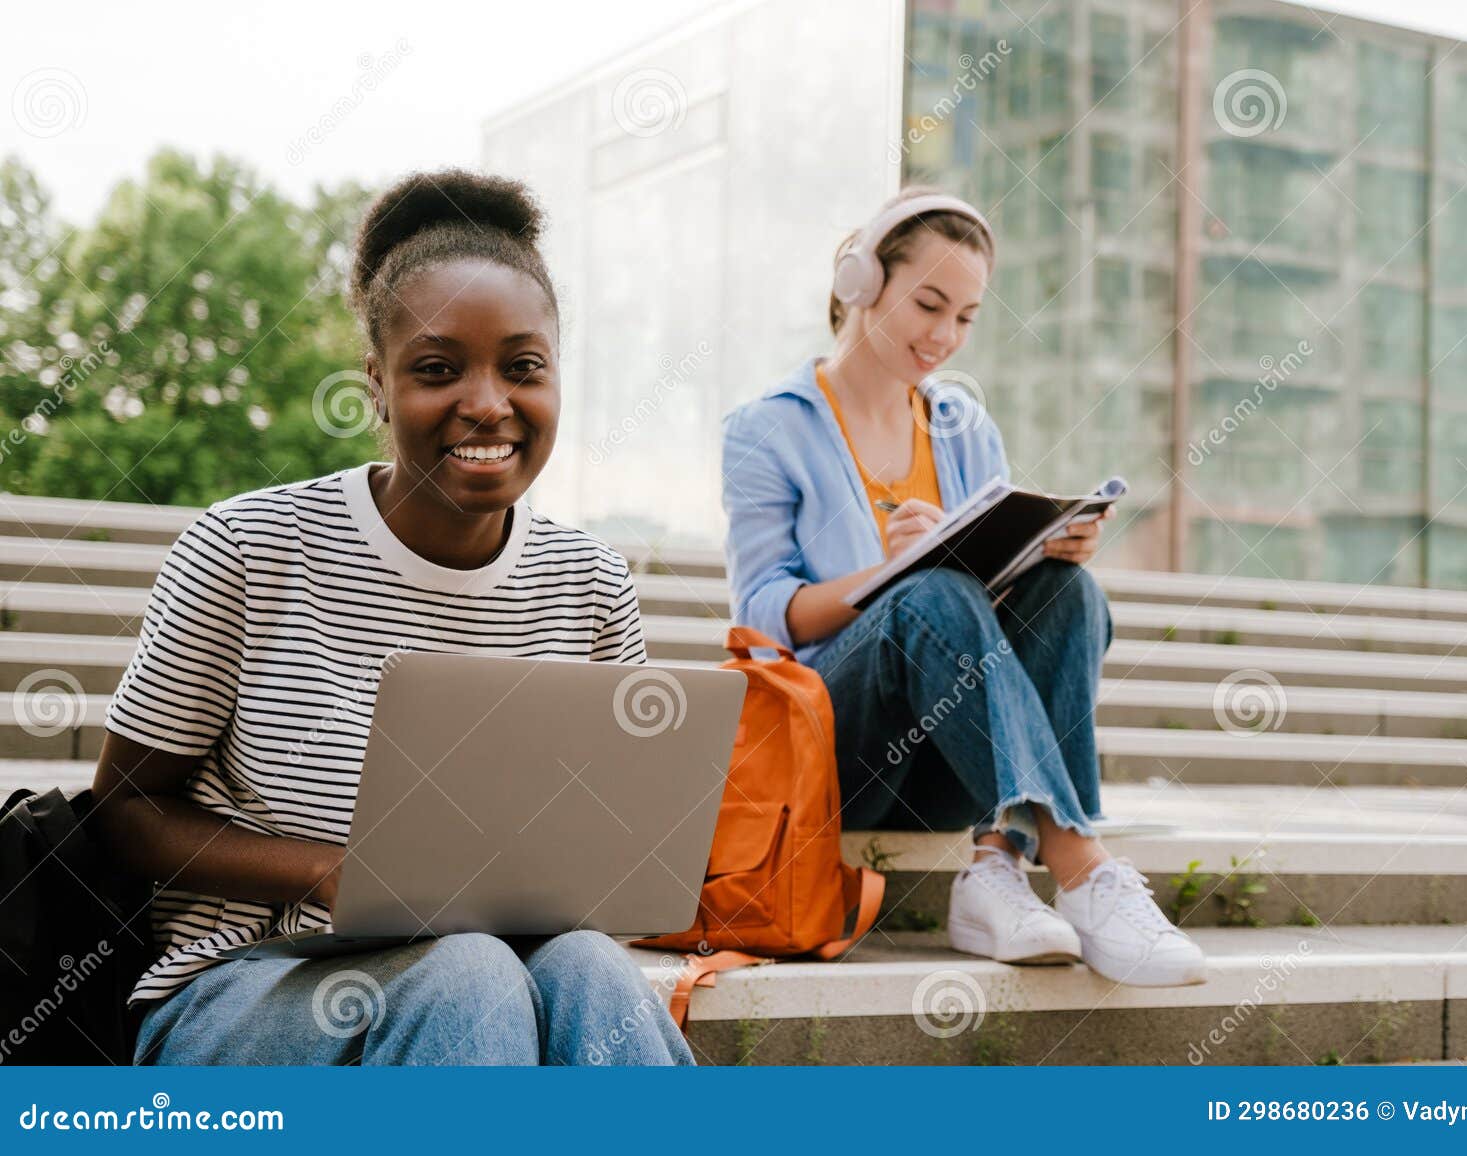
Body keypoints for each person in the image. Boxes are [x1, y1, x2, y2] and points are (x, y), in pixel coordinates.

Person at [91, 169, 695, 1064]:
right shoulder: (249, 550)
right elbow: (125, 811)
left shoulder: (591, 582)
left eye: (522, 368)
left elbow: (602, 848)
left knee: (591, 969)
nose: (488, 403)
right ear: (376, 382)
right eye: (438, 369)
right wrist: (334, 872)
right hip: (245, 987)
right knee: (466, 974)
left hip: (503, 974)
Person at [721, 188, 1205, 986]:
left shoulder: (963, 426)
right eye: (929, 305)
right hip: (839, 754)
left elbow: (997, 613)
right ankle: (1081, 868)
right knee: (929, 596)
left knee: (1067, 591)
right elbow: (765, 616)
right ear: (861, 283)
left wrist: (1048, 551)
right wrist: (890, 574)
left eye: (967, 317)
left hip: (953, 757)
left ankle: (996, 866)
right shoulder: (769, 427)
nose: (945, 337)